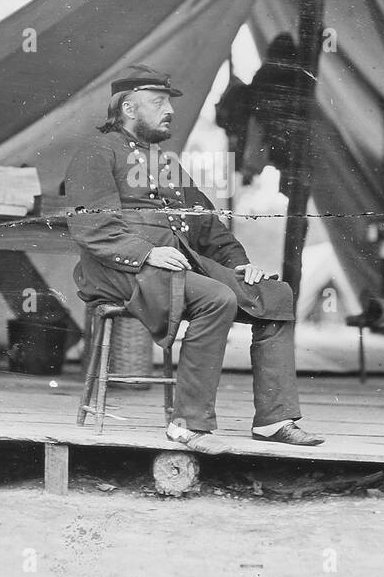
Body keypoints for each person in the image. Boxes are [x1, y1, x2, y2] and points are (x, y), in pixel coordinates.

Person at [64, 64, 324, 453]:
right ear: (130, 108)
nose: (169, 110)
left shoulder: (165, 162)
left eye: (169, 102)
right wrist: (148, 252)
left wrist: (240, 263)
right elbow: (91, 227)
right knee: (215, 298)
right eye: (158, 102)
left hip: (173, 265)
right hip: (116, 269)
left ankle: (275, 420)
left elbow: (207, 227)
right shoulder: (96, 152)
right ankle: (187, 425)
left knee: (275, 297)